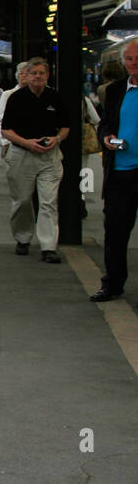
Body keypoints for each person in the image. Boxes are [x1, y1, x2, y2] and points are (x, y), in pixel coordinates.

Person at [1, 61, 70, 261]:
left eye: (41, 73)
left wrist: (57, 139)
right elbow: (6, 129)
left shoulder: (55, 98)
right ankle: (22, 238)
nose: (37, 77)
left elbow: (65, 127)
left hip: (49, 157)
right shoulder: (16, 99)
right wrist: (27, 143)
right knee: (22, 201)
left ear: (47, 75)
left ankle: (48, 247)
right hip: (22, 155)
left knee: (48, 201)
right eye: (33, 73)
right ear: (27, 75)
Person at [91, 38, 138, 301]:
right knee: (116, 232)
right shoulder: (116, 90)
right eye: (129, 59)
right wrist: (106, 137)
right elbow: (105, 124)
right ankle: (112, 284)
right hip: (120, 171)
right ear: (123, 63)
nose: (134, 64)